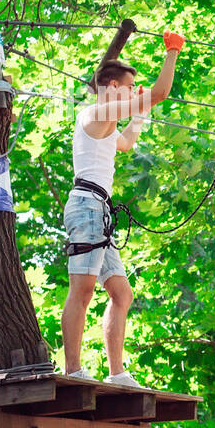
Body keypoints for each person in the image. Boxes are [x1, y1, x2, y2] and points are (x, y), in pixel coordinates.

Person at [60, 32, 184, 388]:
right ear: (112, 87)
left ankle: (116, 373)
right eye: (129, 89)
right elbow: (159, 93)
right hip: (86, 206)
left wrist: (140, 114)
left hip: (98, 210)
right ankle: (73, 370)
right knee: (82, 289)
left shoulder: (106, 123)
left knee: (121, 293)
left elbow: (126, 143)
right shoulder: (96, 112)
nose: (132, 94)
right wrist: (172, 52)